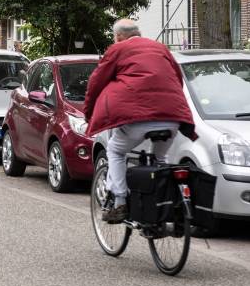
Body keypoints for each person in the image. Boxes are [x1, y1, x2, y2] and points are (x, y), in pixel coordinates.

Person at [84, 18, 196, 223]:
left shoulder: (117, 49)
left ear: (118, 37)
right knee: (160, 159)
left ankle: (120, 203)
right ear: (139, 33)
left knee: (115, 150)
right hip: (171, 117)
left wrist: (89, 113)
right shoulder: (161, 48)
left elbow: (96, 82)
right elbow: (177, 79)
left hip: (137, 117)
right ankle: (163, 203)